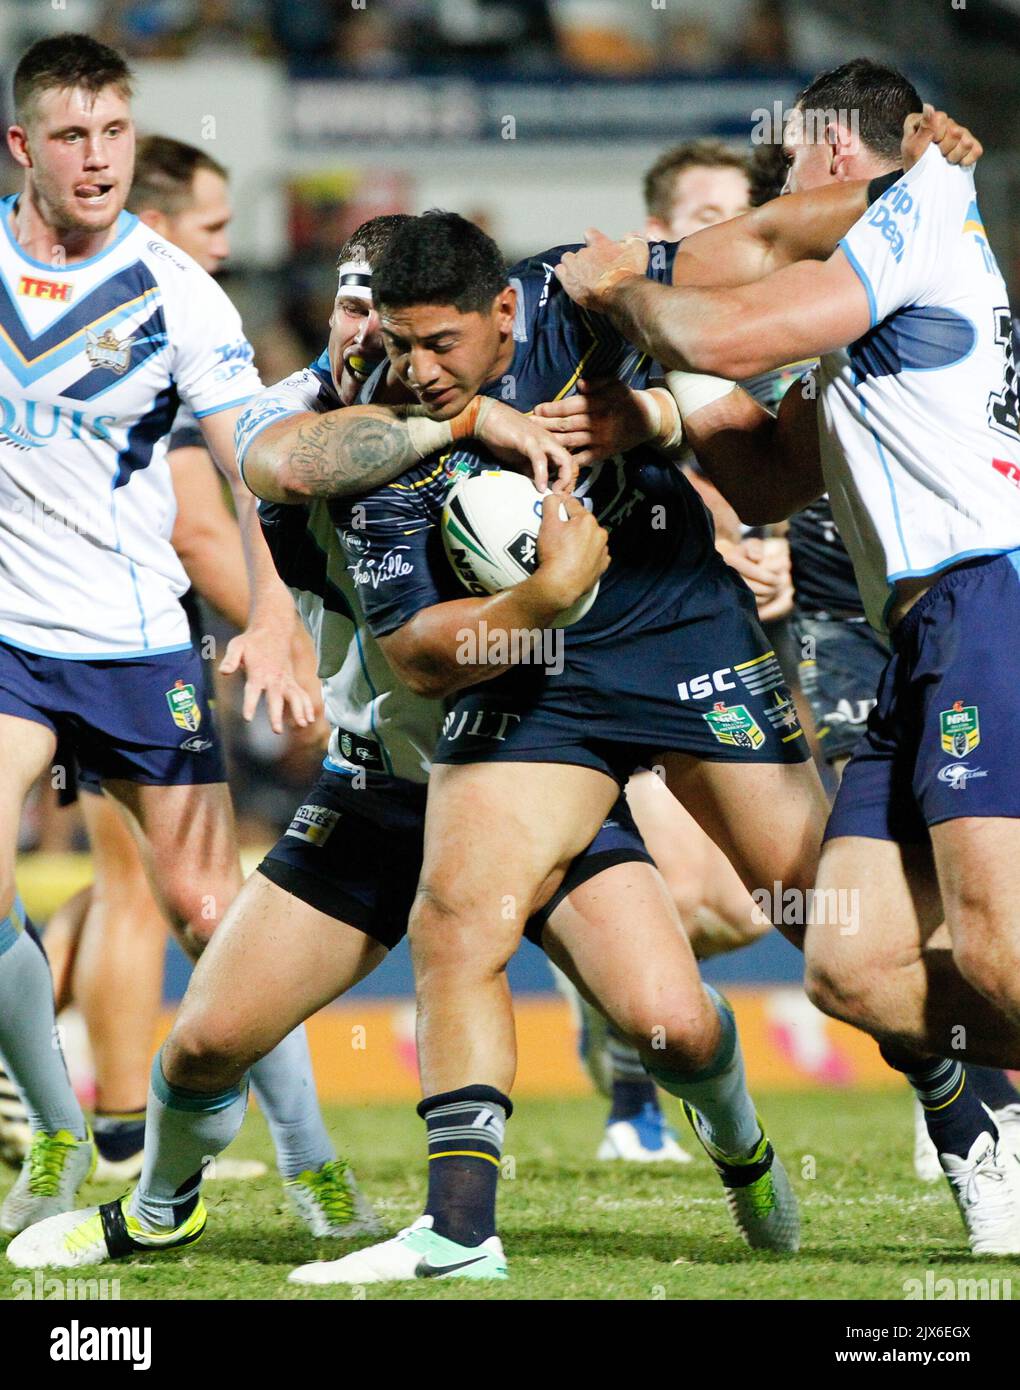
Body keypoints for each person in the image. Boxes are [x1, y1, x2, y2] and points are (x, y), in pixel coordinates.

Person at [6, 217, 799, 1276]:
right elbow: (280, 466)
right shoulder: (320, 415)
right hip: (381, 783)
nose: (367, 340)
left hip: (532, 765)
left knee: (674, 1026)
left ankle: (742, 1147)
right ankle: (159, 1208)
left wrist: (661, 411)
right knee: (201, 1043)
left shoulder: (498, 361)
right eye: (352, 312)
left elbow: (669, 298)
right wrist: (489, 461)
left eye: (393, 326)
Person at [554, 64, 1020, 1253]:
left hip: (989, 598)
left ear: (843, 156)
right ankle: (997, 1126)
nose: (783, 191)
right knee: (853, 960)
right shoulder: (872, 301)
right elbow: (767, 473)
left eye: (798, 160)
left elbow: (737, 313)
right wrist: (651, 402)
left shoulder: (916, 205)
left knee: (997, 946)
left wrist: (621, 285)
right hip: (924, 632)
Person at [0, 34, 326, 1238]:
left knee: (203, 907)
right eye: (73, 137)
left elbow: (256, 467)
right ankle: (58, 1138)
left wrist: (285, 615)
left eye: (115, 135)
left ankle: (310, 1155)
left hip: (138, 643)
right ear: (24, 147)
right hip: (10, 642)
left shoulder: (177, 290)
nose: (97, 159)